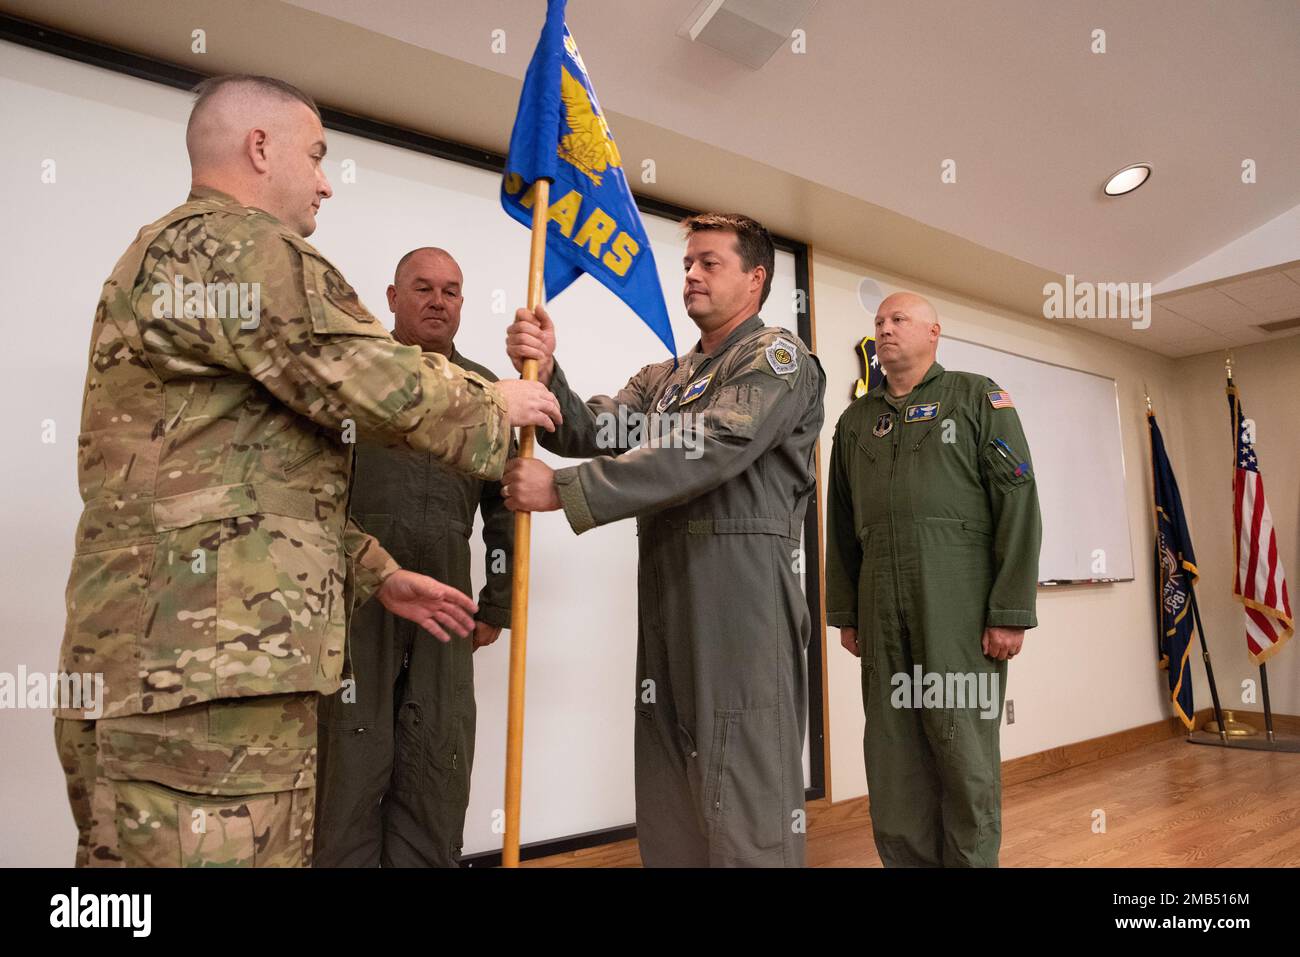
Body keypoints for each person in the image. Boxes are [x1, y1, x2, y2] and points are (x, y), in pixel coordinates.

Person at [52, 74, 560, 868]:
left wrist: (376, 572)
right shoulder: (237, 245)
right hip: (202, 679)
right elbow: (370, 377)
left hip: (180, 666)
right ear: (261, 148)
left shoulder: (169, 253)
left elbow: (251, 486)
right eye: (317, 155)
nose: (326, 180)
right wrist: (500, 398)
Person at [503, 213, 825, 867]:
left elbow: (710, 444)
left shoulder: (776, 359)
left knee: (746, 799)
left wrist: (564, 491)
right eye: (687, 264)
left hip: (742, 596)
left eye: (710, 262)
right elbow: (595, 429)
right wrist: (545, 367)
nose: (692, 275)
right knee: (670, 795)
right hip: (669, 589)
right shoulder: (664, 379)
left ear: (756, 277)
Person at [825, 291, 1042, 867]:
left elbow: (1018, 498)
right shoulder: (854, 421)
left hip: (958, 607)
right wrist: (846, 613)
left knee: (961, 749)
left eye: (900, 320)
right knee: (893, 755)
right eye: (880, 321)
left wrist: (1010, 609)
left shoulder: (976, 397)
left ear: (934, 333)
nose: (886, 329)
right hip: (880, 607)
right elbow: (840, 523)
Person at [315, 248, 514, 867]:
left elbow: (504, 507)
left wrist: (498, 601)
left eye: (450, 291)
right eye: (422, 288)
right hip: (358, 593)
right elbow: (315, 490)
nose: (437, 300)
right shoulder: (361, 383)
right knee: (352, 745)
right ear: (392, 297)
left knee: (438, 741)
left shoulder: (487, 394)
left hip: (449, 594)